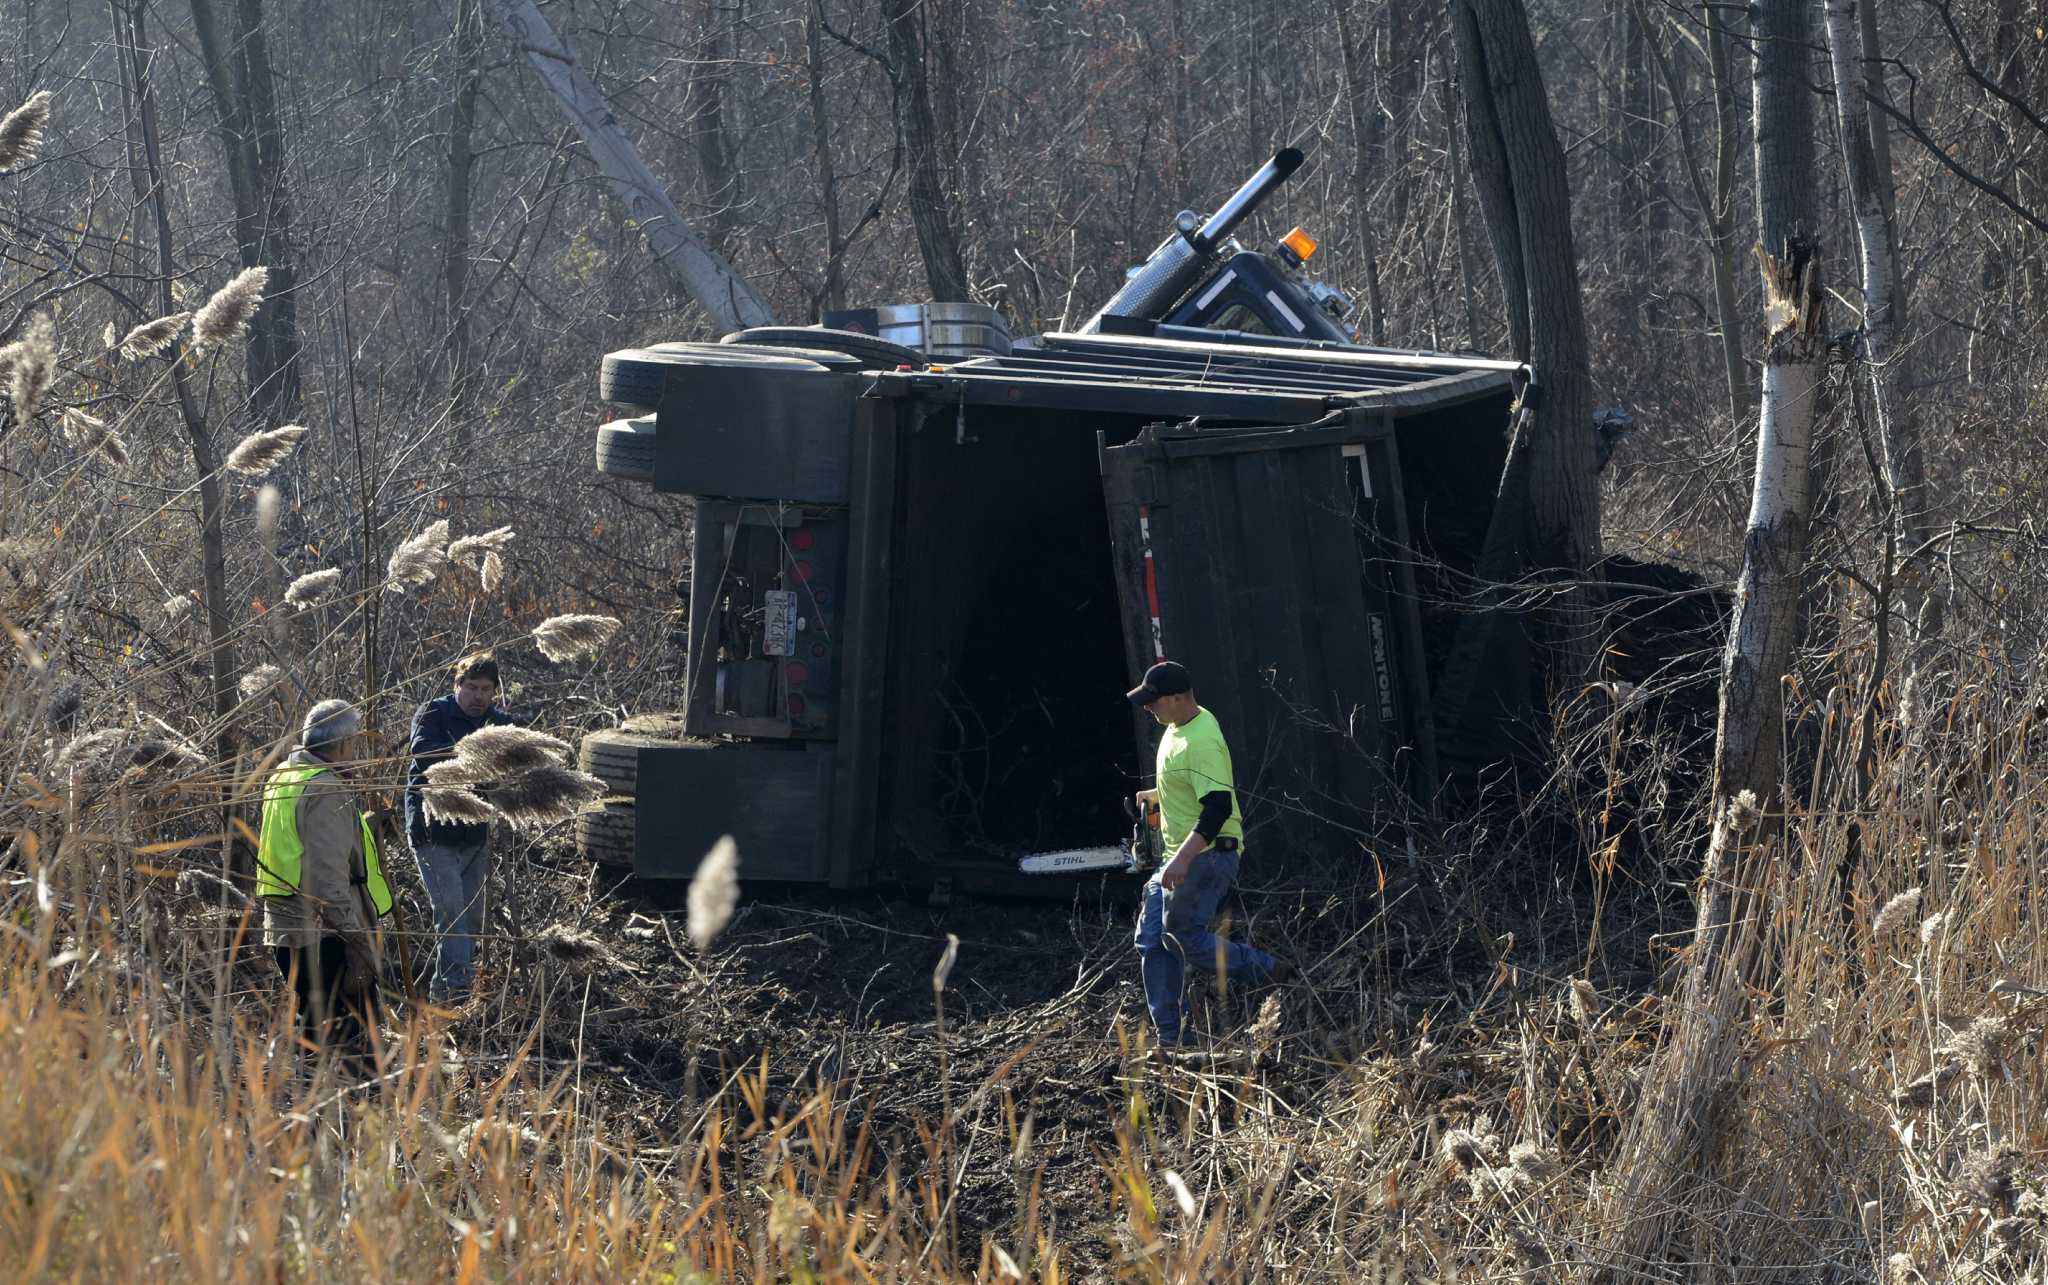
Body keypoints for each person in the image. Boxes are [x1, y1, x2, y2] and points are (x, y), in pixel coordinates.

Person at [1127, 660, 1287, 1049]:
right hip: (1176, 853)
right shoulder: (1177, 727)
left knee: (1182, 938)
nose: (1148, 708)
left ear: (1179, 698)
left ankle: (1271, 972)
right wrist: (1154, 805)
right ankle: (1173, 1038)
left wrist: (1183, 859)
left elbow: (1216, 809)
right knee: (1152, 940)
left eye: (1154, 701)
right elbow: (1187, 785)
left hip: (1209, 854)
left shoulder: (1201, 742)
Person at [257, 698, 394, 1075]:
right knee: (349, 1033)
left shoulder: (284, 777)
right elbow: (327, 877)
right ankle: (357, 1118)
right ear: (342, 745)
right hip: (325, 932)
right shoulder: (326, 788)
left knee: (314, 1028)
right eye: (354, 744)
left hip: (287, 929)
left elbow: (301, 849)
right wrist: (356, 939)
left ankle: (307, 1111)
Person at [405, 652, 514, 1002]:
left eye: (485, 689)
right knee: (451, 910)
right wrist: (479, 754)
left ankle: (443, 994)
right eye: (471, 687)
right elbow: (424, 754)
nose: (478, 696)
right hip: (434, 830)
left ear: (495, 691)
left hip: (474, 834)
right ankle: (456, 995)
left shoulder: (499, 722)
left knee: (471, 918)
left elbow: (515, 760)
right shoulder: (434, 713)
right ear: (457, 686)